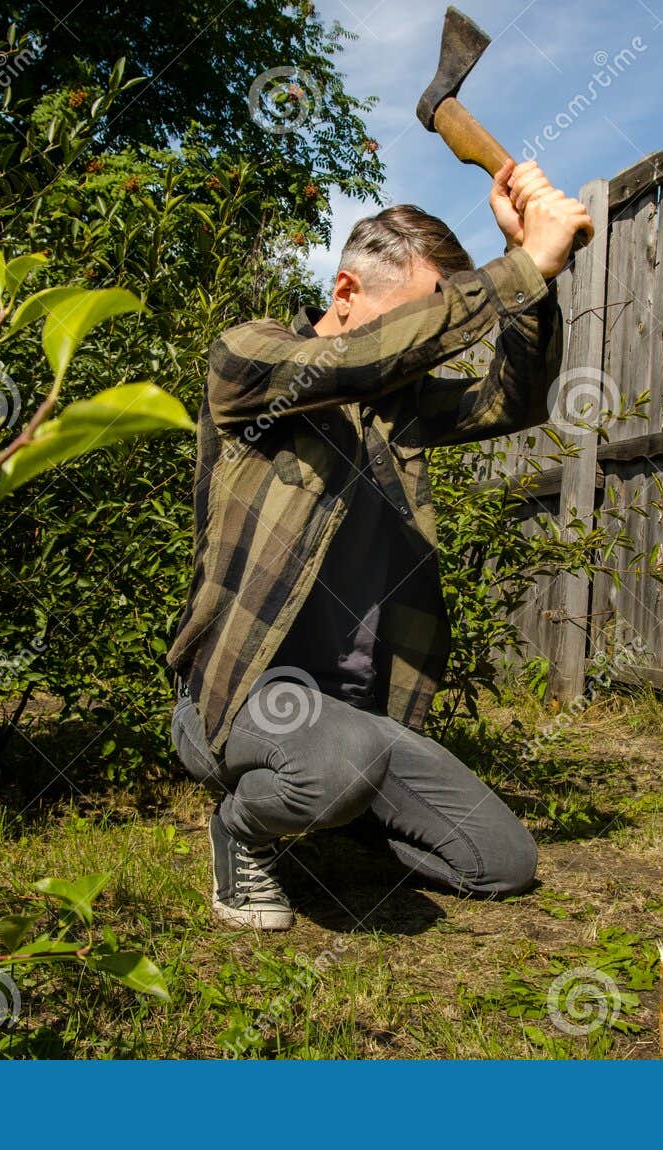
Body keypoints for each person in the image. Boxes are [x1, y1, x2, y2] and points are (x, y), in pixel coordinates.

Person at [168, 160, 592, 930]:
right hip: (241, 693)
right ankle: (240, 830)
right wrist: (519, 267)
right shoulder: (249, 362)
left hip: (356, 715)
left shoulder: (395, 410)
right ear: (345, 293)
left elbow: (514, 399)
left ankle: (339, 798)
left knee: (501, 864)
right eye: (414, 320)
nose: (427, 348)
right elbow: (359, 359)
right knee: (339, 762)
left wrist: (536, 285)